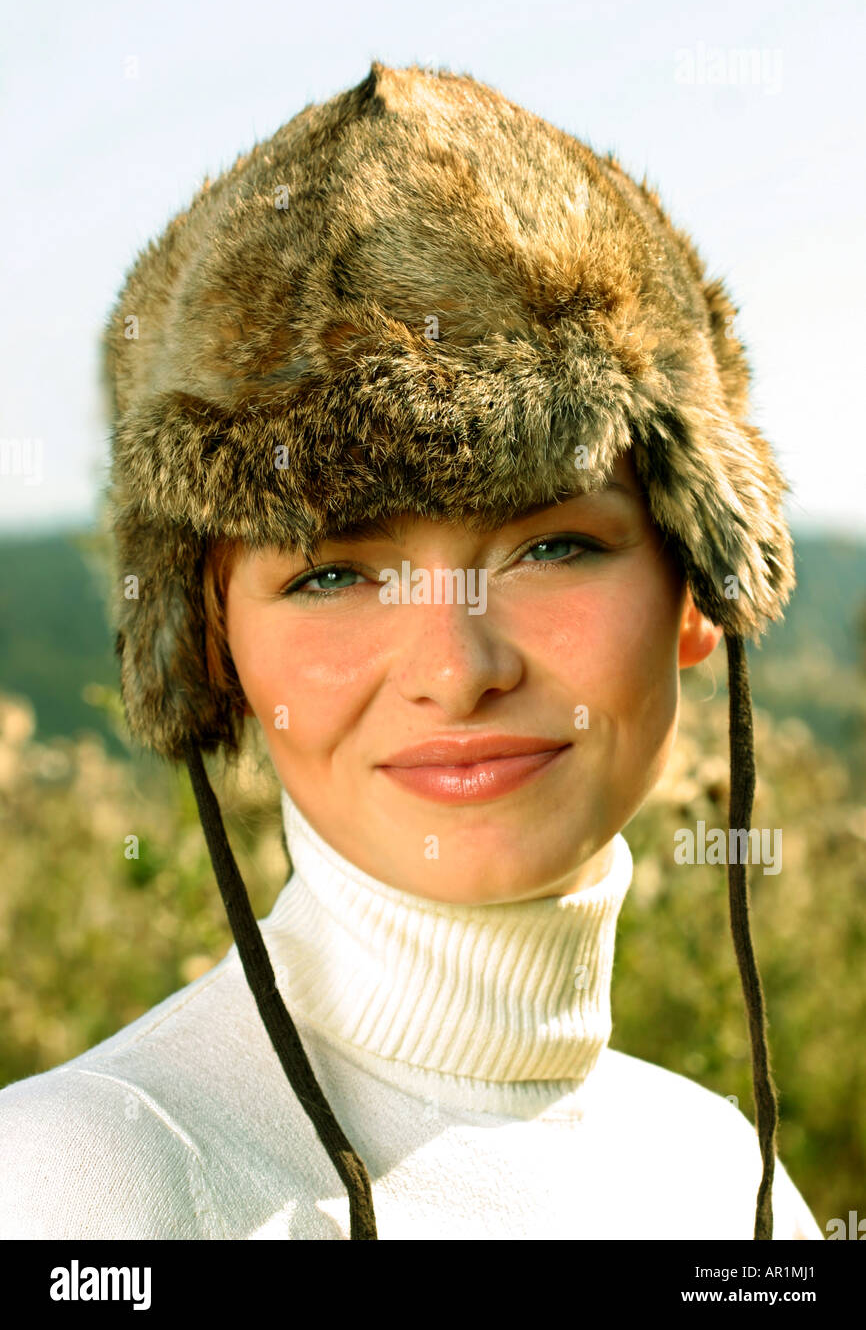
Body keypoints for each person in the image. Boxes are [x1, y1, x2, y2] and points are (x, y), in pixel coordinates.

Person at [0, 61, 823, 1240]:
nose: (456, 665)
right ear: (211, 647)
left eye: (550, 546)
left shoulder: (720, 1174)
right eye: (332, 572)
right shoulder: (89, 1178)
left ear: (699, 585)